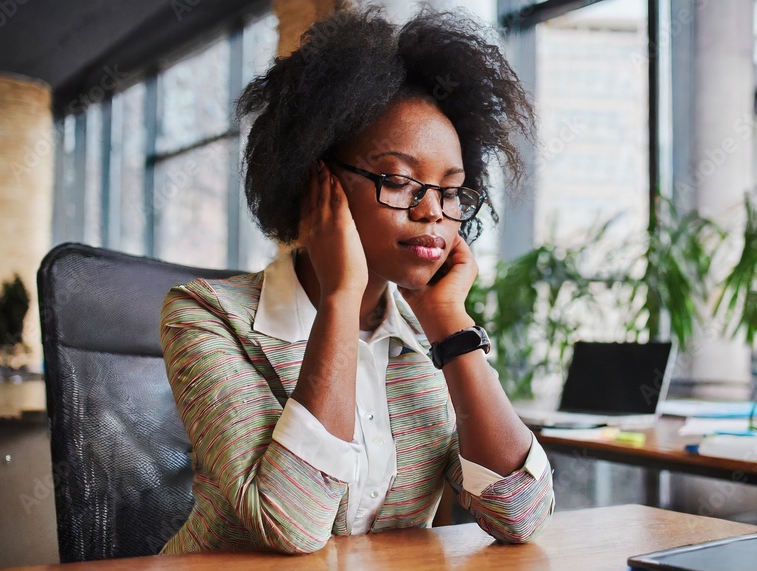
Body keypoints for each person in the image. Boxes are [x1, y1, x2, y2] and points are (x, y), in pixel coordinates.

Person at [158, 6, 554, 555]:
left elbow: (520, 517)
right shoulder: (206, 315)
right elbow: (290, 525)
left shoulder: (432, 334)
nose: (432, 212)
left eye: (450, 190)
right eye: (399, 180)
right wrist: (341, 298)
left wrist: (448, 324)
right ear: (313, 178)